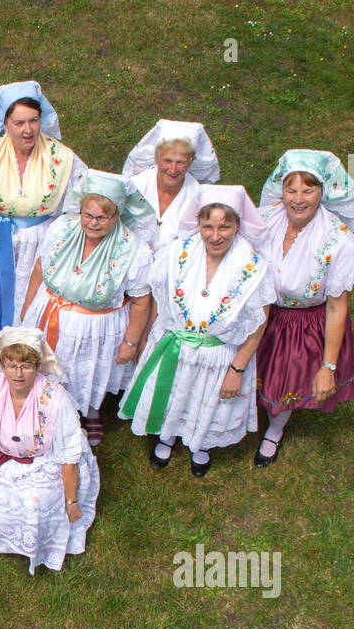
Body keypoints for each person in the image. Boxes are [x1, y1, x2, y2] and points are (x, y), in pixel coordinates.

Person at [118, 185, 275, 477]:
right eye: (208, 226)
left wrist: (236, 370)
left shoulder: (253, 267)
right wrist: (146, 342)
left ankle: (201, 444)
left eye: (224, 227)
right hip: (175, 347)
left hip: (219, 356)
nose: (215, 236)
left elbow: (258, 326)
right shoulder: (176, 253)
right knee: (174, 392)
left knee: (207, 401)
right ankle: (167, 435)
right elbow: (159, 299)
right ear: (198, 224)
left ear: (238, 225)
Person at [252, 149, 354, 465]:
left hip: (302, 323)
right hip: (259, 312)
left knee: (285, 380)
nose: (298, 199)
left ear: (323, 191)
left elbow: (336, 308)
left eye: (309, 190)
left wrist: (328, 367)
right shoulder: (262, 222)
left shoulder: (337, 241)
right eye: (291, 189)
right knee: (248, 370)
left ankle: (274, 430)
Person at [19, 171, 154, 446]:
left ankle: (89, 412)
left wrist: (131, 341)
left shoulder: (134, 250)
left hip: (96, 326)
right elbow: (38, 268)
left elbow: (141, 300)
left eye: (102, 217)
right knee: (45, 366)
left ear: (117, 216)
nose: (93, 223)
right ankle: (43, 409)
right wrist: (27, 308)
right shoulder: (61, 229)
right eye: (87, 215)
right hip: (51, 313)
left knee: (88, 371)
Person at [0, 328, 100, 574]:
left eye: (26, 366)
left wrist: (71, 501)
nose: (18, 373)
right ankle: (4, 537)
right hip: (4, 459)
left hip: (47, 459)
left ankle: (37, 543)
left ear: (37, 366)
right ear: (1, 365)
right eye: (11, 365)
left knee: (33, 502)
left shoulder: (56, 399)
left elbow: (68, 456)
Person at [0, 81, 88, 334]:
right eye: (19, 123)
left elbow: (76, 212)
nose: (28, 130)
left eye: (33, 121)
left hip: (42, 245)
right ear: (5, 124)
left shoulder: (64, 159)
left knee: (33, 305)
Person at [121, 119, 220, 254]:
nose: (173, 170)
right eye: (167, 161)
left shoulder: (198, 196)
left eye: (180, 162)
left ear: (190, 162)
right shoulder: (135, 186)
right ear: (156, 160)